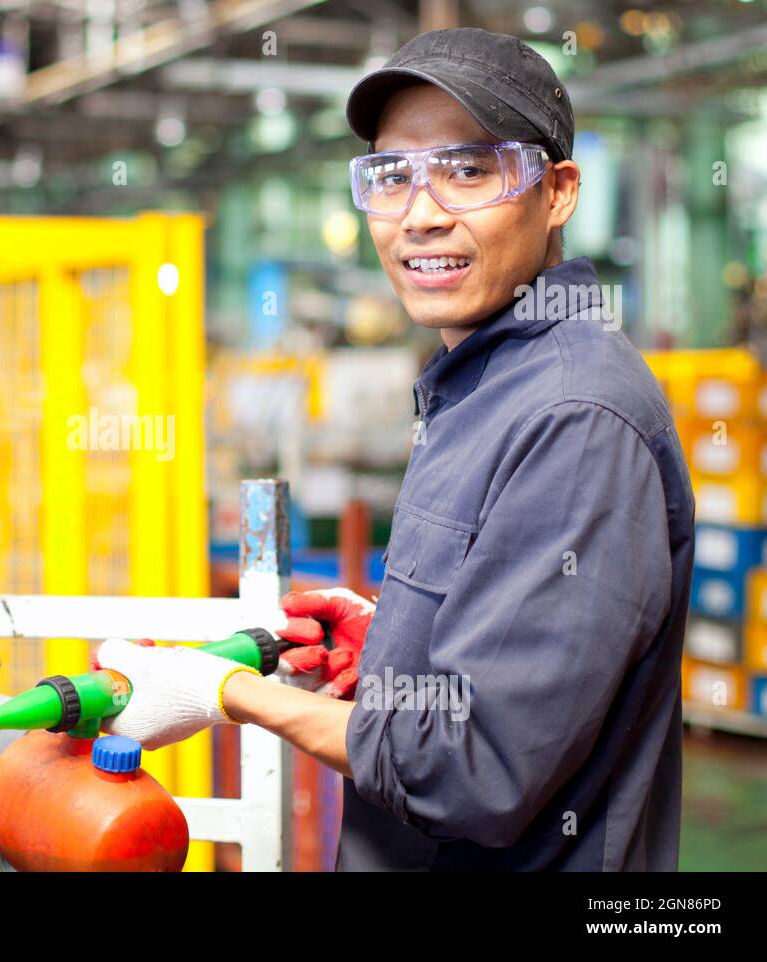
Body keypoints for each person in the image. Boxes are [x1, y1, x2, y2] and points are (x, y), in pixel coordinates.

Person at [96, 27, 695, 871]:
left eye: (467, 170)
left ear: (555, 191)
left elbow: (472, 769)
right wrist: (391, 649)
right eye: (391, 176)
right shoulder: (482, 382)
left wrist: (227, 694)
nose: (420, 213)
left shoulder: (574, 415)